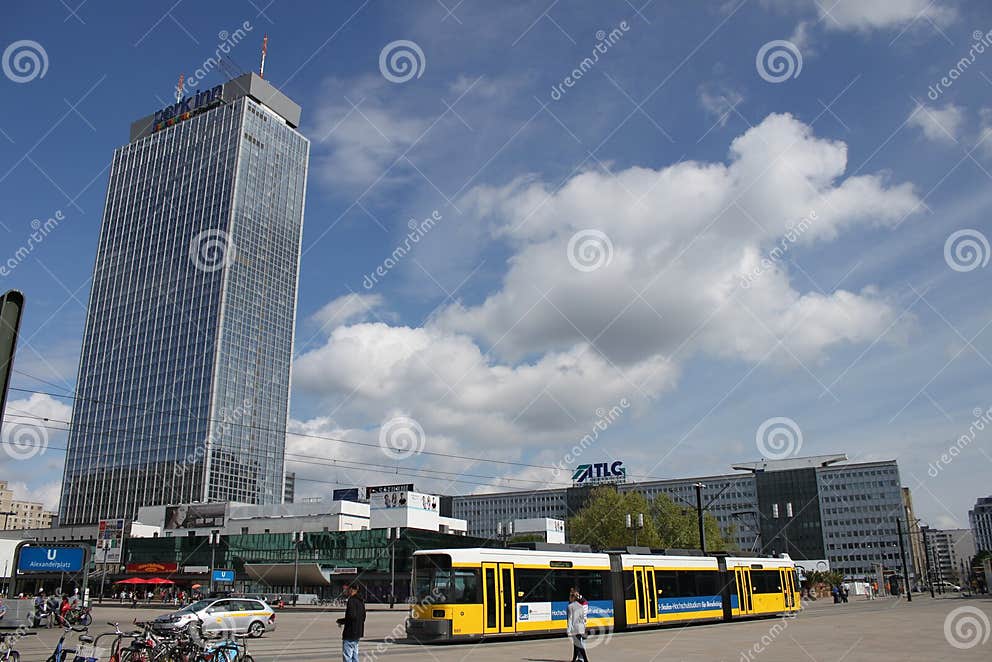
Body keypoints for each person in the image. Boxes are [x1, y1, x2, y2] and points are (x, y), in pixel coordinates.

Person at [336, 584, 366, 662]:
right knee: (355, 655)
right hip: (358, 632)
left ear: (352, 589)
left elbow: (351, 616)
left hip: (350, 632)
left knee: (347, 656)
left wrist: (341, 621)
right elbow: (363, 617)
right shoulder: (361, 600)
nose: (347, 591)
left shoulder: (351, 600)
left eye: (348, 589)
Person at [567, 588, 590, 662]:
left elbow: (570, 618)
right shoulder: (580, 605)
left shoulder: (572, 605)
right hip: (581, 626)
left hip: (575, 627)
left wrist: (568, 630)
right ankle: (577, 659)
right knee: (577, 644)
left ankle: (583, 659)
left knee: (579, 644)